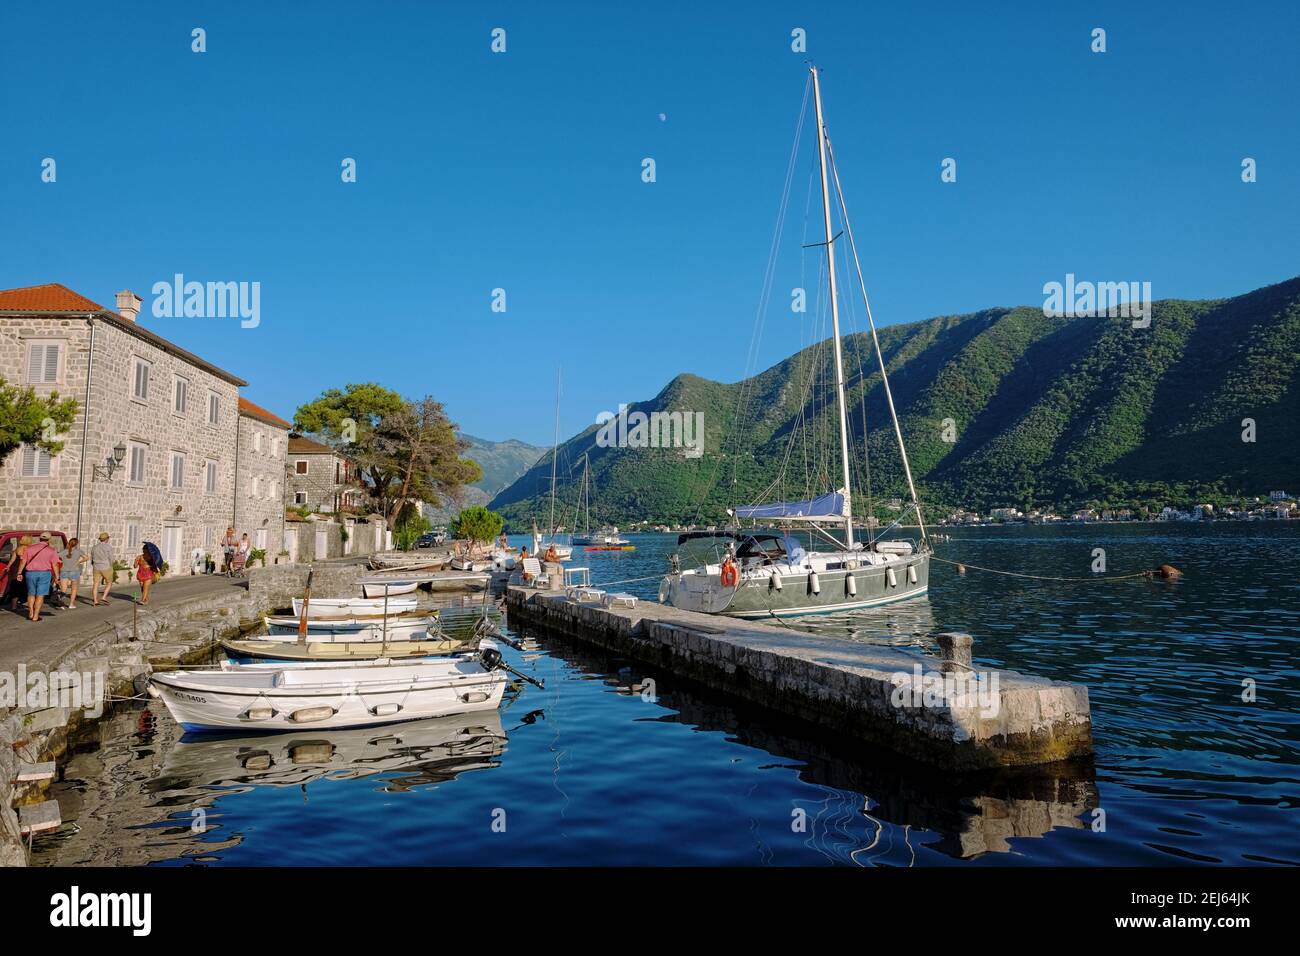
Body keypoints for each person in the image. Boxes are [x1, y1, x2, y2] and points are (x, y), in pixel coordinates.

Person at [17, 532, 62, 622]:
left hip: (30, 573)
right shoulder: (52, 550)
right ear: (49, 540)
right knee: (40, 595)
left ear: (39, 539)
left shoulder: (29, 549)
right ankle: (36, 616)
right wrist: (57, 577)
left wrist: (19, 573)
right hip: (44, 574)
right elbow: (55, 564)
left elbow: (23, 562)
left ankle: (30, 612)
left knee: (31, 594)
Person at [5, 536, 33, 613]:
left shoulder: (17, 549)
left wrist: (8, 567)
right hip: (25, 570)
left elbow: (12, 560)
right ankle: (29, 605)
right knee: (28, 587)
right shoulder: (29, 549)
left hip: (16, 570)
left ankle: (13, 607)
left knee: (15, 588)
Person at [59, 537, 88, 609]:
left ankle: (62, 604)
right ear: (76, 544)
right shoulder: (79, 551)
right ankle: (71, 604)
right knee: (74, 589)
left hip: (64, 571)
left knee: (63, 589)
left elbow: (56, 558)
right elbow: (87, 558)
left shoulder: (63, 552)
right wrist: (79, 562)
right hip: (74, 571)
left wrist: (62, 562)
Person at [91, 532, 115, 605]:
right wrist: (111, 566)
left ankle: (95, 601)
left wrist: (93, 564)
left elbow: (92, 557)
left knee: (95, 584)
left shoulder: (94, 547)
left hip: (96, 566)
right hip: (105, 566)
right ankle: (104, 597)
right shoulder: (108, 547)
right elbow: (111, 558)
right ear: (107, 539)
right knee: (109, 582)